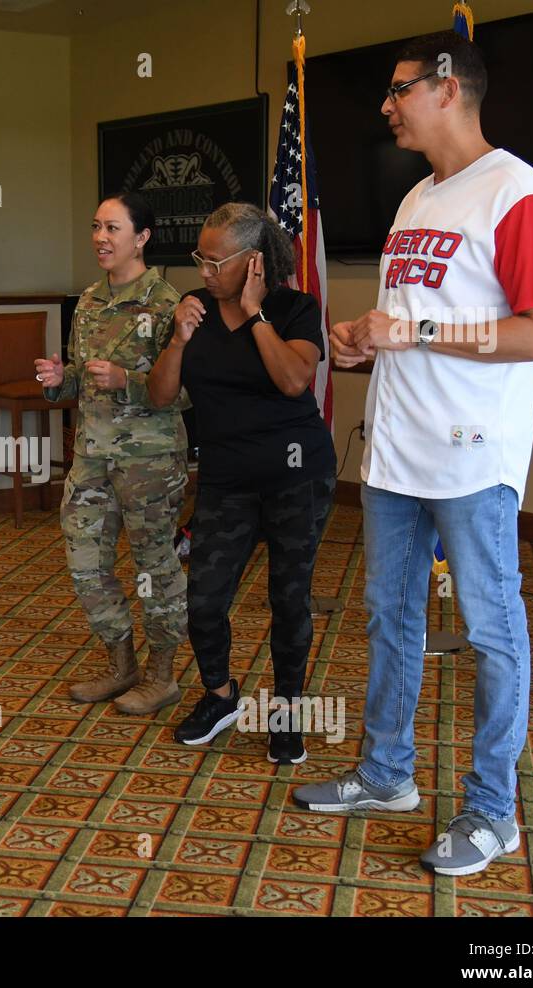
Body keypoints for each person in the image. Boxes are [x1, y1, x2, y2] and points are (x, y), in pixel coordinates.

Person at [293, 31, 533, 877]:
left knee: (492, 632)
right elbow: (416, 329)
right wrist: (365, 347)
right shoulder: (415, 199)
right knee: (391, 619)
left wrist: (410, 328)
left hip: (473, 459)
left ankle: (494, 811)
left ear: (448, 88)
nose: (386, 106)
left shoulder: (518, 194)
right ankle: (387, 775)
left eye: (399, 89)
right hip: (395, 454)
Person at [147, 202, 336, 761]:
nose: (203, 271)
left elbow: (294, 380)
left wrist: (256, 315)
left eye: (214, 260)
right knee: (203, 599)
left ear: (253, 262)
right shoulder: (193, 311)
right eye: (198, 258)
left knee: (288, 599)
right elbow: (160, 397)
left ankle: (287, 713)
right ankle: (221, 695)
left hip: (296, 477)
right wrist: (177, 340)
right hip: (227, 481)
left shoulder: (295, 308)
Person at [35, 192, 187, 715]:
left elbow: (187, 391)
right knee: (84, 562)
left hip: (149, 460)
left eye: (113, 228)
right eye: (96, 227)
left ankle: (162, 674)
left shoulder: (169, 304)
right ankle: (121, 665)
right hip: (92, 457)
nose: (101, 238)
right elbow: (81, 374)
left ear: (141, 237)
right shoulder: (88, 301)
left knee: (154, 565)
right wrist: (61, 379)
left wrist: (129, 381)